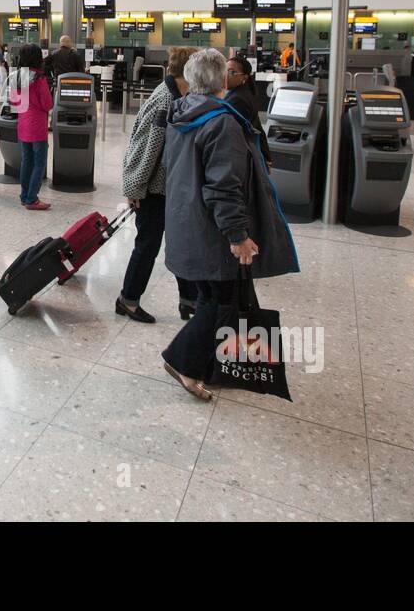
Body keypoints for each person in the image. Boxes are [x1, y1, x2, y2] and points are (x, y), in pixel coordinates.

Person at [160, 49, 300, 401]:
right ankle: (183, 362)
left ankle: (206, 361)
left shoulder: (180, 113)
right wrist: (237, 235)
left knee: (211, 295)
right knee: (219, 300)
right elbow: (223, 186)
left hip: (186, 221)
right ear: (224, 80)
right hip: (211, 232)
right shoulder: (220, 123)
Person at [116, 46, 197, 323]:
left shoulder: (178, 95)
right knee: (148, 245)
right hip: (153, 190)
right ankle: (127, 299)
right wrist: (134, 188)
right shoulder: (165, 100)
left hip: (167, 189)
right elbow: (146, 147)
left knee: (181, 244)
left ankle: (189, 300)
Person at [9, 44, 52, 210]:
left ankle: (24, 195)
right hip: (37, 126)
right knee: (39, 163)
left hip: (23, 124)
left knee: (26, 161)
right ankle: (32, 199)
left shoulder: (16, 77)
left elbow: (14, 102)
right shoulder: (39, 78)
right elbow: (47, 104)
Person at [225, 55, 272, 166]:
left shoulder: (237, 100)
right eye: (224, 71)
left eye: (231, 73)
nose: (226, 76)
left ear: (244, 78)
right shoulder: (244, 93)